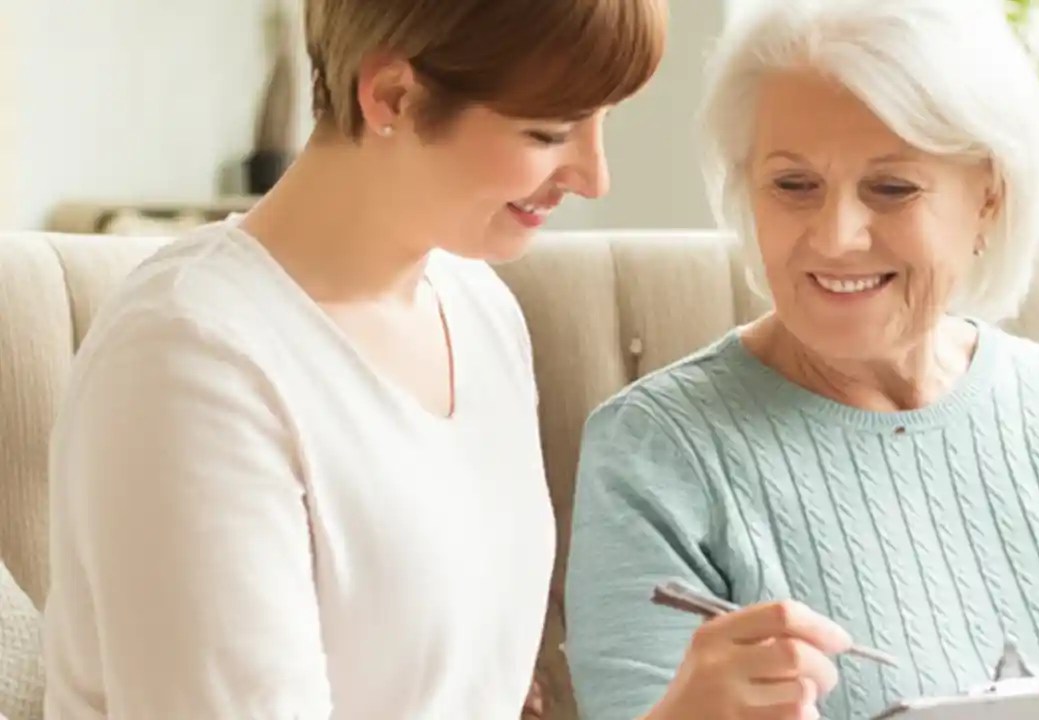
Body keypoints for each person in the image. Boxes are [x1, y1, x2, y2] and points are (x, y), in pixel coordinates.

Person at [562, 1, 1039, 719]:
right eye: (793, 186)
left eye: (891, 188)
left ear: (989, 194)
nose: (835, 238)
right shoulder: (656, 450)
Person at [41, 1, 665, 718]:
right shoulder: (189, 360)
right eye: (549, 131)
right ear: (392, 96)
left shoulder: (477, 308)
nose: (594, 176)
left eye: (604, 119)